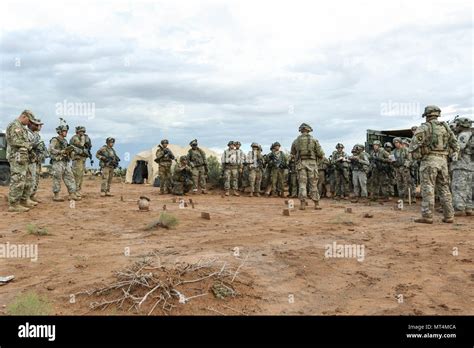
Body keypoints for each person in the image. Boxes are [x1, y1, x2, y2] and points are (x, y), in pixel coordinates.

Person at [408, 105, 459, 224]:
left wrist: (415, 155)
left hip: (429, 160)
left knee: (428, 187)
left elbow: (413, 145)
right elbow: (455, 145)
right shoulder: (446, 127)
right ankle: (449, 216)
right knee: (445, 188)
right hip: (443, 161)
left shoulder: (424, 127)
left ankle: (427, 216)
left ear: (427, 116)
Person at [6, 110, 35, 212]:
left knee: (27, 179)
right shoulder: (14, 125)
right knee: (18, 179)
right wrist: (28, 145)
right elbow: (14, 141)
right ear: (24, 116)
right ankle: (14, 204)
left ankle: (23, 200)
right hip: (16, 157)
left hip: (22, 157)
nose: (29, 123)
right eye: (29, 120)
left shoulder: (22, 127)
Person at [290, 123, 324, 210]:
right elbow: (320, 153)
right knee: (313, 184)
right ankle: (316, 204)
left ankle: (303, 204)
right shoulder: (314, 140)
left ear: (301, 130)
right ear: (309, 130)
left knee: (302, 184)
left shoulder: (296, 141)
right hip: (312, 164)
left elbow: (293, 153)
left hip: (301, 164)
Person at [49, 124, 80, 201]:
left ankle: (72, 194)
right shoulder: (55, 140)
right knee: (57, 178)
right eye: (64, 131)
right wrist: (60, 151)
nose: (65, 132)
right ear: (59, 132)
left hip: (65, 162)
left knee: (70, 177)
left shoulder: (65, 141)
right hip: (58, 162)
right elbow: (50, 149)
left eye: (66, 131)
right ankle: (56, 195)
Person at [450, 117, 473, 216]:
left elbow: (458, 148)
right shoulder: (472, 134)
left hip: (461, 165)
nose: (456, 127)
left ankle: (459, 208)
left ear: (462, 125)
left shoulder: (463, 135)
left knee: (458, 187)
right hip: (470, 165)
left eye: (458, 125)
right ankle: (469, 207)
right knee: (469, 187)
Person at [69, 126, 88, 198]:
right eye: (81, 131)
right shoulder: (75, 138)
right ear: (77, 131)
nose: (82, 133)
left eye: (83, 131)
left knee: (81, 176)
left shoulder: (80, 138)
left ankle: (78, 190)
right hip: (77, 159)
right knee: (76, 176)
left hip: (81, 159)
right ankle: (74, 191)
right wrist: (83, 139)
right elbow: (81, 145)